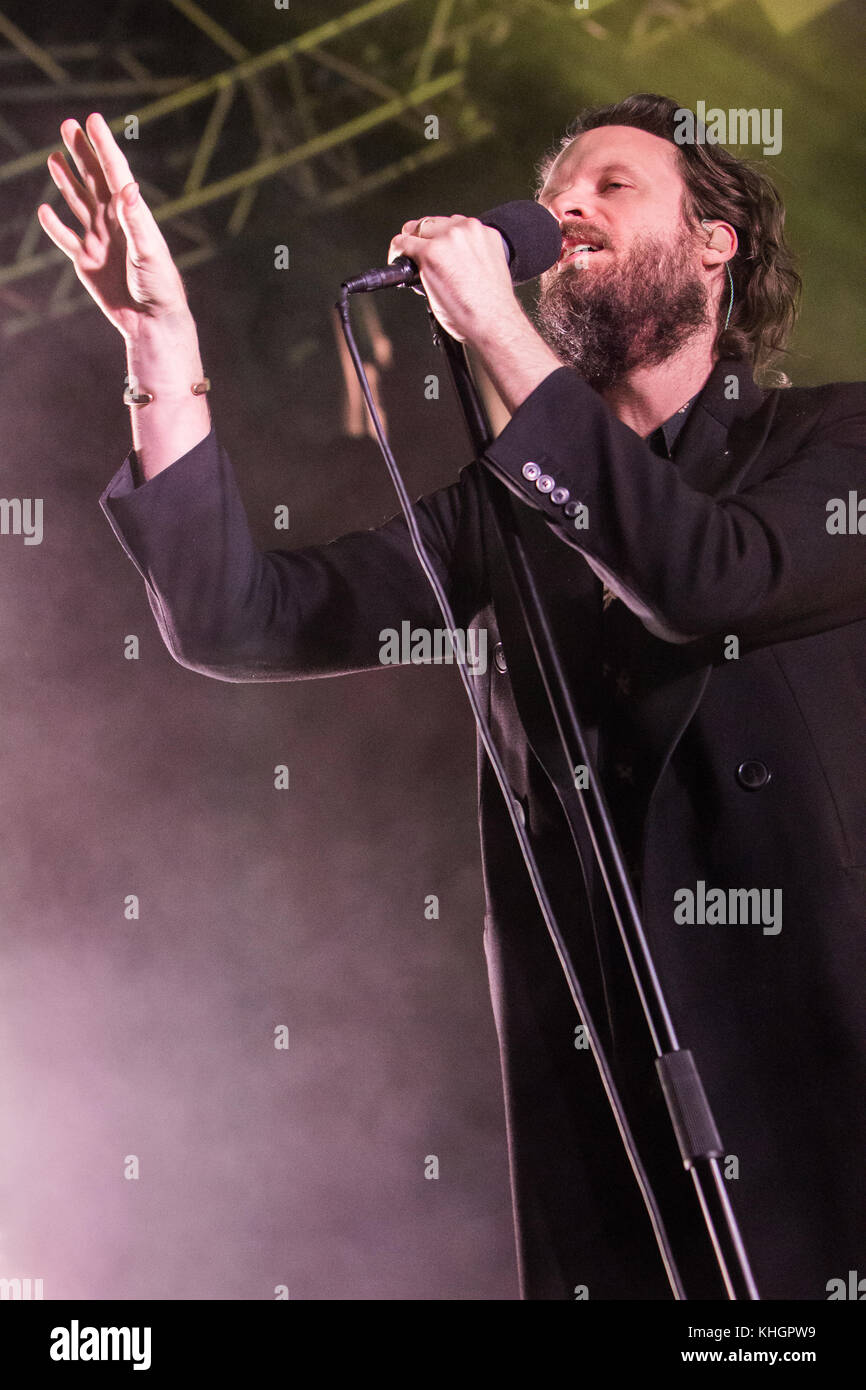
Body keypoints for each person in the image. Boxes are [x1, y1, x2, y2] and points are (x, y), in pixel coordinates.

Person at [38, 94, 866, 1301]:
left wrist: (494, 333)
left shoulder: (831, 441)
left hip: (810, 1074)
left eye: (609, 184)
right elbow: (242, 618)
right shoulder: (505, 509)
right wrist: (160, 342)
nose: (561, 206)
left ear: (710, 243)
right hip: (608, 1102)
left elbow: (699, 578)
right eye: (552, 187)